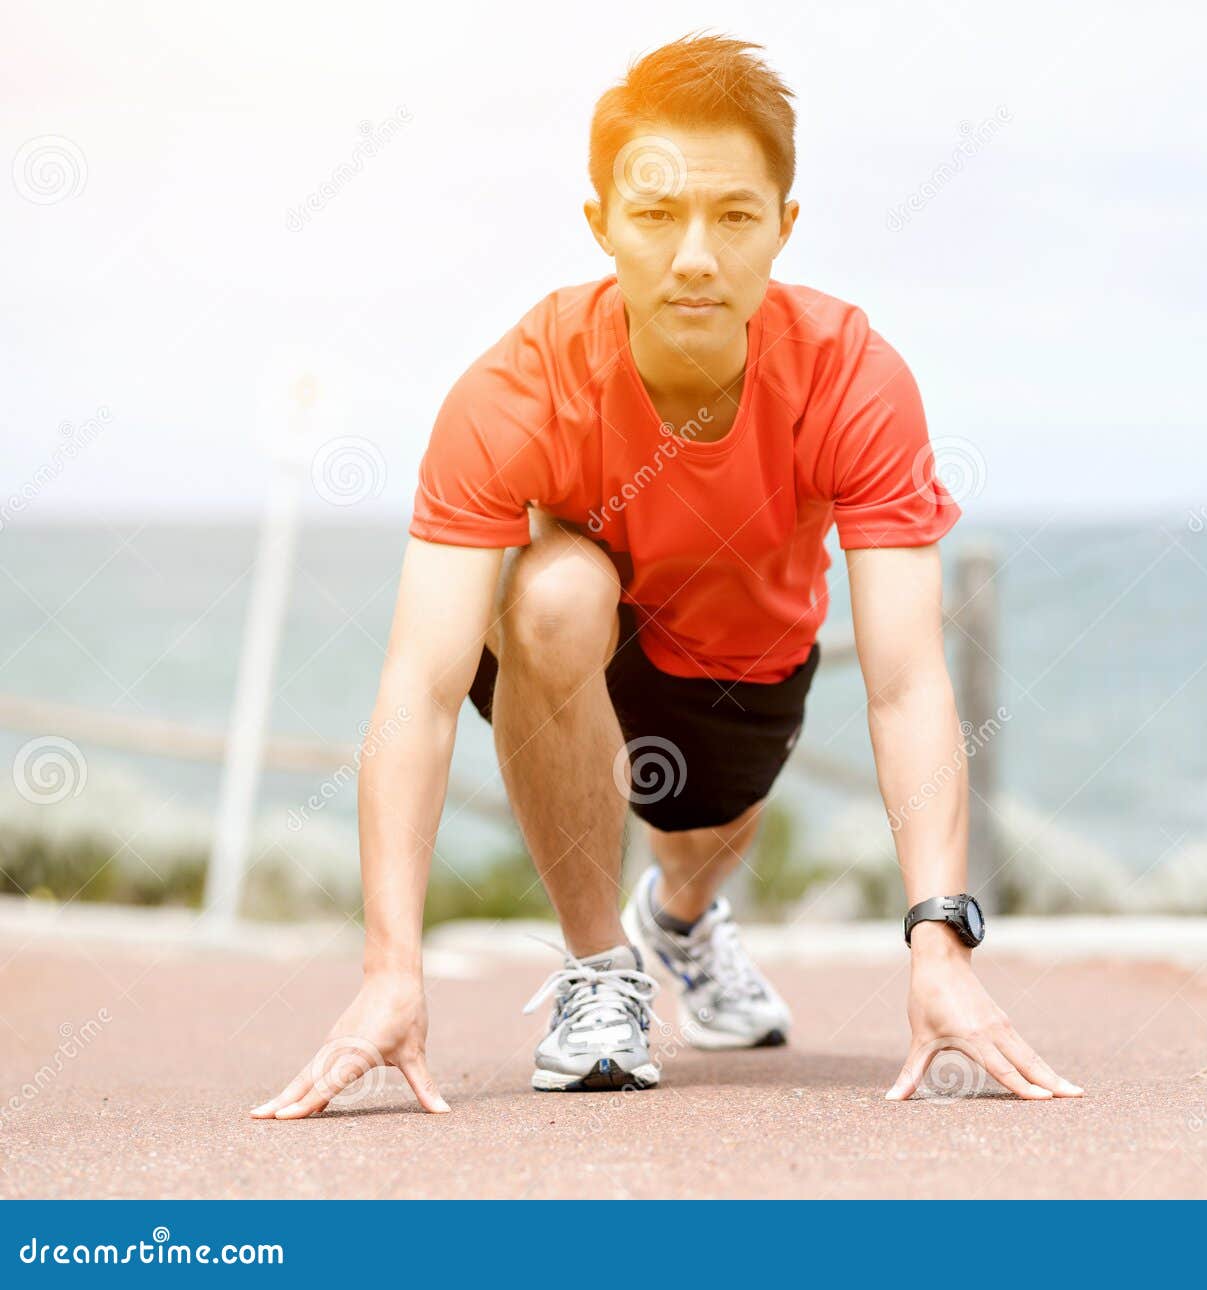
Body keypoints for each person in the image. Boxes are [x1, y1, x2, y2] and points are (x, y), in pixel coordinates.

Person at [251, 31, 1081, 1117]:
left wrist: (940, 941)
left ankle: (679, 927)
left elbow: (908, 683)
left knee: (692, 859)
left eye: (734, 216)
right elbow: (417, 688)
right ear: (601, 224)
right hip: (578, 638)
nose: (695, 255)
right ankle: (600, 974)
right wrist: (388, 970)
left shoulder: (853, 380)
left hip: (743, 662)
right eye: (655, 215)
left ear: (783, 227)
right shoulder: (516, 389)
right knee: (553, 596)